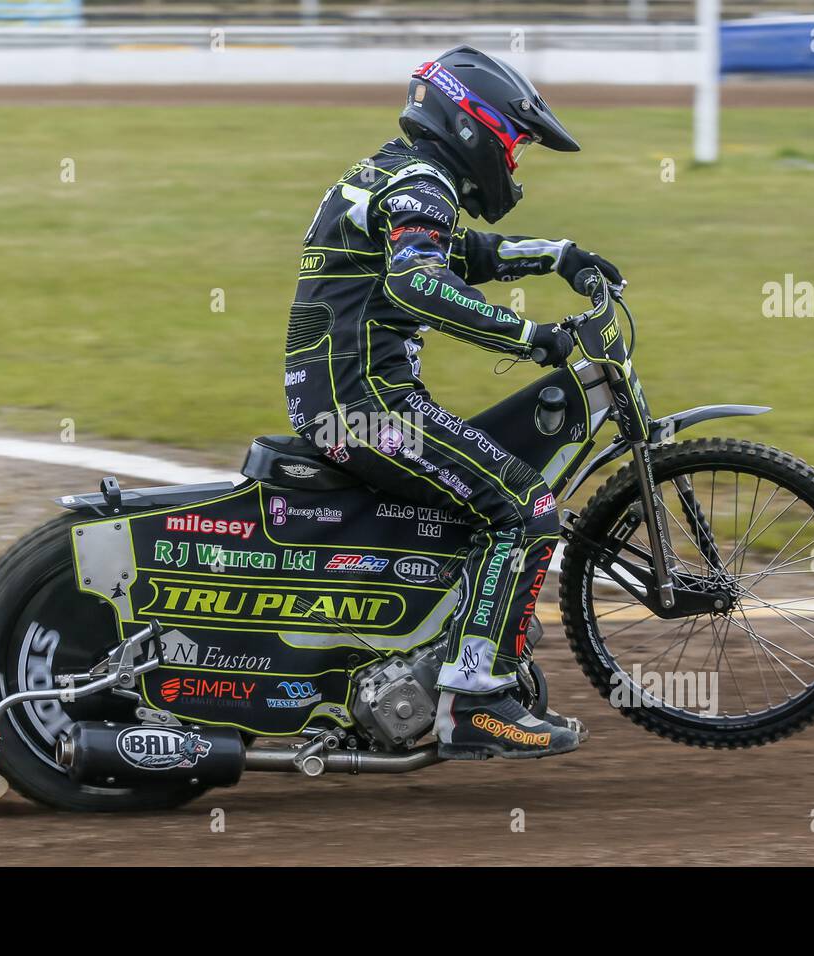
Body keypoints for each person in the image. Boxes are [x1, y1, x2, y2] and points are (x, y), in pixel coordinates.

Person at [283, 46, 623, 759]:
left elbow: (464, 255)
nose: (517, 162)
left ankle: (443, 654)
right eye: (515, 142)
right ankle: (477, 696)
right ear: (473, 126)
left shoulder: (397, 173)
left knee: (482, 494)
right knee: (526, 507)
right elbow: (417, 283)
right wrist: (531, 336)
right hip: (367, 404)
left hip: (343, 397)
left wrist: (557, 254)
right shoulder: (420, 182)